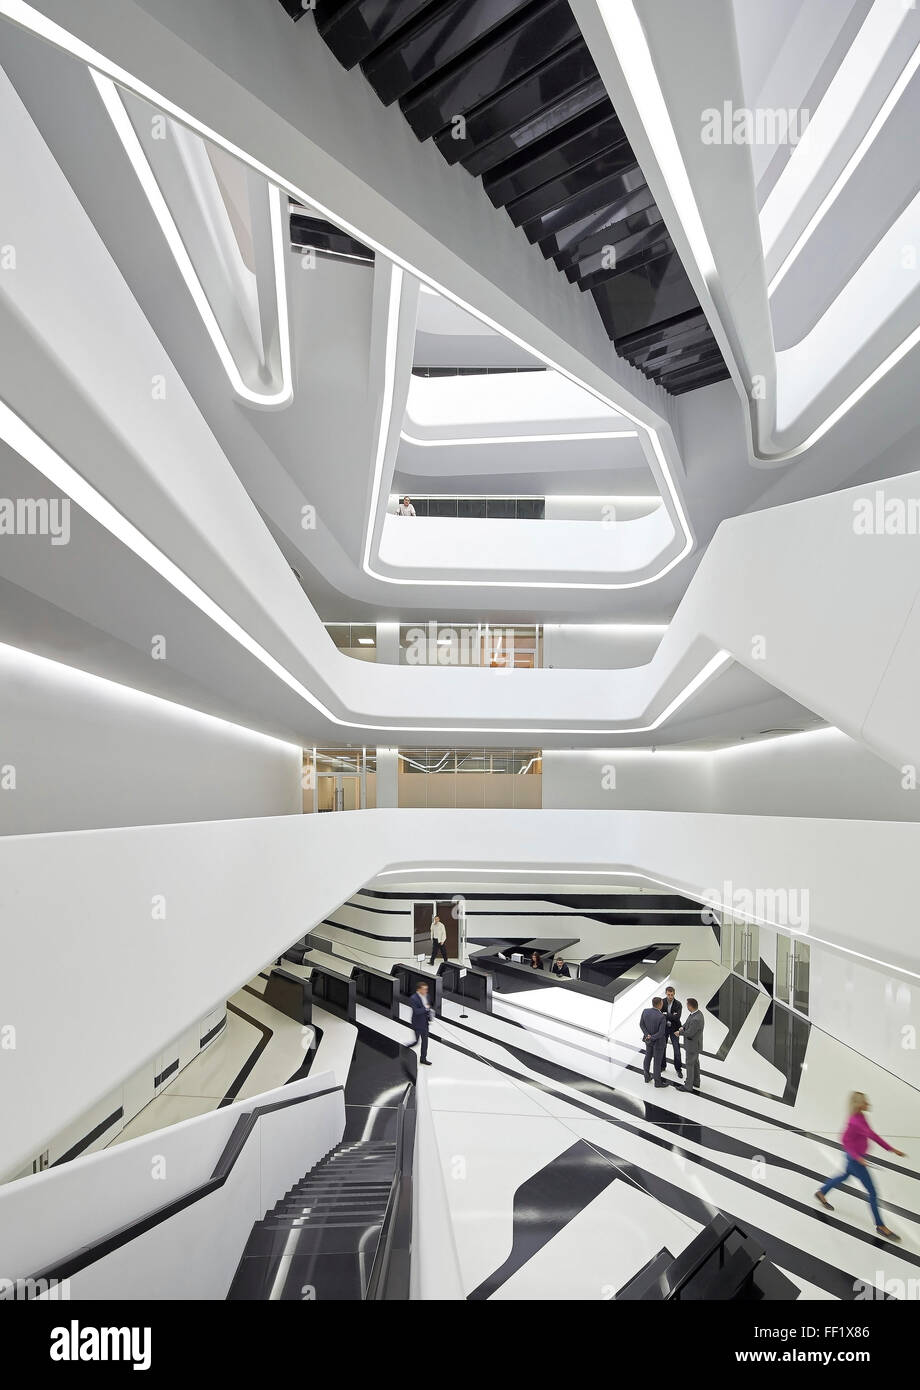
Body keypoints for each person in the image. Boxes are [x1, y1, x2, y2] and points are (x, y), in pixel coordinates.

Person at [815, 1092, 906, 1239]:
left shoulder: (861, 1117)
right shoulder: (854, 1122)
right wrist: (857, 1157)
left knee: (843, 1176)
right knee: (873, 1193)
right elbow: (845, 1140)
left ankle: (821, 1192)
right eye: (865, 1102)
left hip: (856, 1159)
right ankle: (880, 1225)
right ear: (859, 1104)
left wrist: (891, 1149)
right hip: (856, 1161)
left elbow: (872, 1135)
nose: (867, 1104)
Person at [640, 996, 668, 1087]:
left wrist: (647, 1035)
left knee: (647, 1057)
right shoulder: (662, 1017)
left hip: (648, 1041)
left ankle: (646, 1077)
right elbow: (661, 1033)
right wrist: (652, 1037)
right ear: (660, 1005)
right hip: (658, 1043)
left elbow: (641, 1024)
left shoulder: (645, 1011)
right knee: (657, 1062)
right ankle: (657, 1082)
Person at [678, 997, 703, 1092]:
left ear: (690, 1006)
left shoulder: (696, 1019)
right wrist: (682, 1027)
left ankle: (688, 1086)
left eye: (687, 1004)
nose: (686, 1006)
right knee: (695, 1063)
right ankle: (696, 1081)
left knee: (689, 1064)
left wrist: (679, 1033)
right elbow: (687, 1023)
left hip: (692, 1046)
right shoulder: (695, 1014)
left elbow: (690, 1033)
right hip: (694, 1045)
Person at [409, 981, 433, 1065]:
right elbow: (416, 1011)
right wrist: (425, 1008)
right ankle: (406, 1048)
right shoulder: (413, 998)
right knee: (416, 1041)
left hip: (425, 1024)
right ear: (419, 990)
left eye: (426, 989)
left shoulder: (427, 996)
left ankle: (423, 1058)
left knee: (425, 1042)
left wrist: (430, 1016)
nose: (426, 991)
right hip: (417, 1023)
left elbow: (429, 1008)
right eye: (424, 989)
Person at [662, 985, 683, 1078]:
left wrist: (666, 1014)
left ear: (674, 994)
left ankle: (678, 1069)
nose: (670, 996)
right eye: (668, 994)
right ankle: (662, 1066)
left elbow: (677, 1017)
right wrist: (671, 1016)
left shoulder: (678, 1004)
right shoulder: (662, 1002)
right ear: (666, 994)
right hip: (664, 1028)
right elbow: (660, 1015)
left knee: (677, 1049)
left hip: (674, 1029)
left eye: (672, 994)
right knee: (663, 1047)